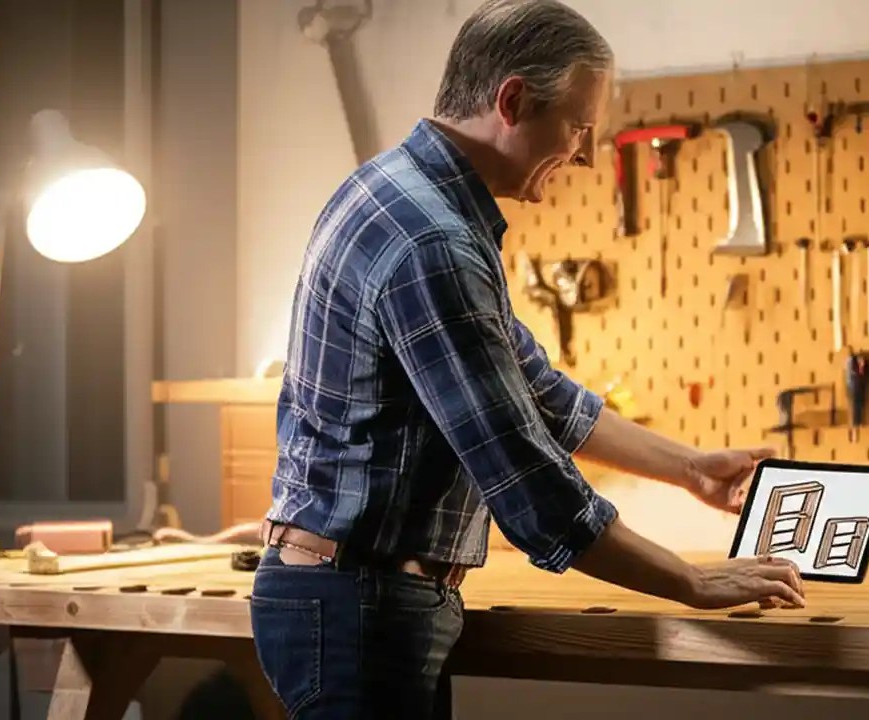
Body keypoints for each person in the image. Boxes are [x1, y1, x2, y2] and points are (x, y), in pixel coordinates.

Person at [249, 1, 806, 717]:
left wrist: (690, 468)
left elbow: (535, 390)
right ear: (512, 101)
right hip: (361, 606)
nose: (586, 155)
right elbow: (526, 481)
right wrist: (691, 582)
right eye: (578, 127)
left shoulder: (397, 194)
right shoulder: (434, 242)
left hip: (355, 596)